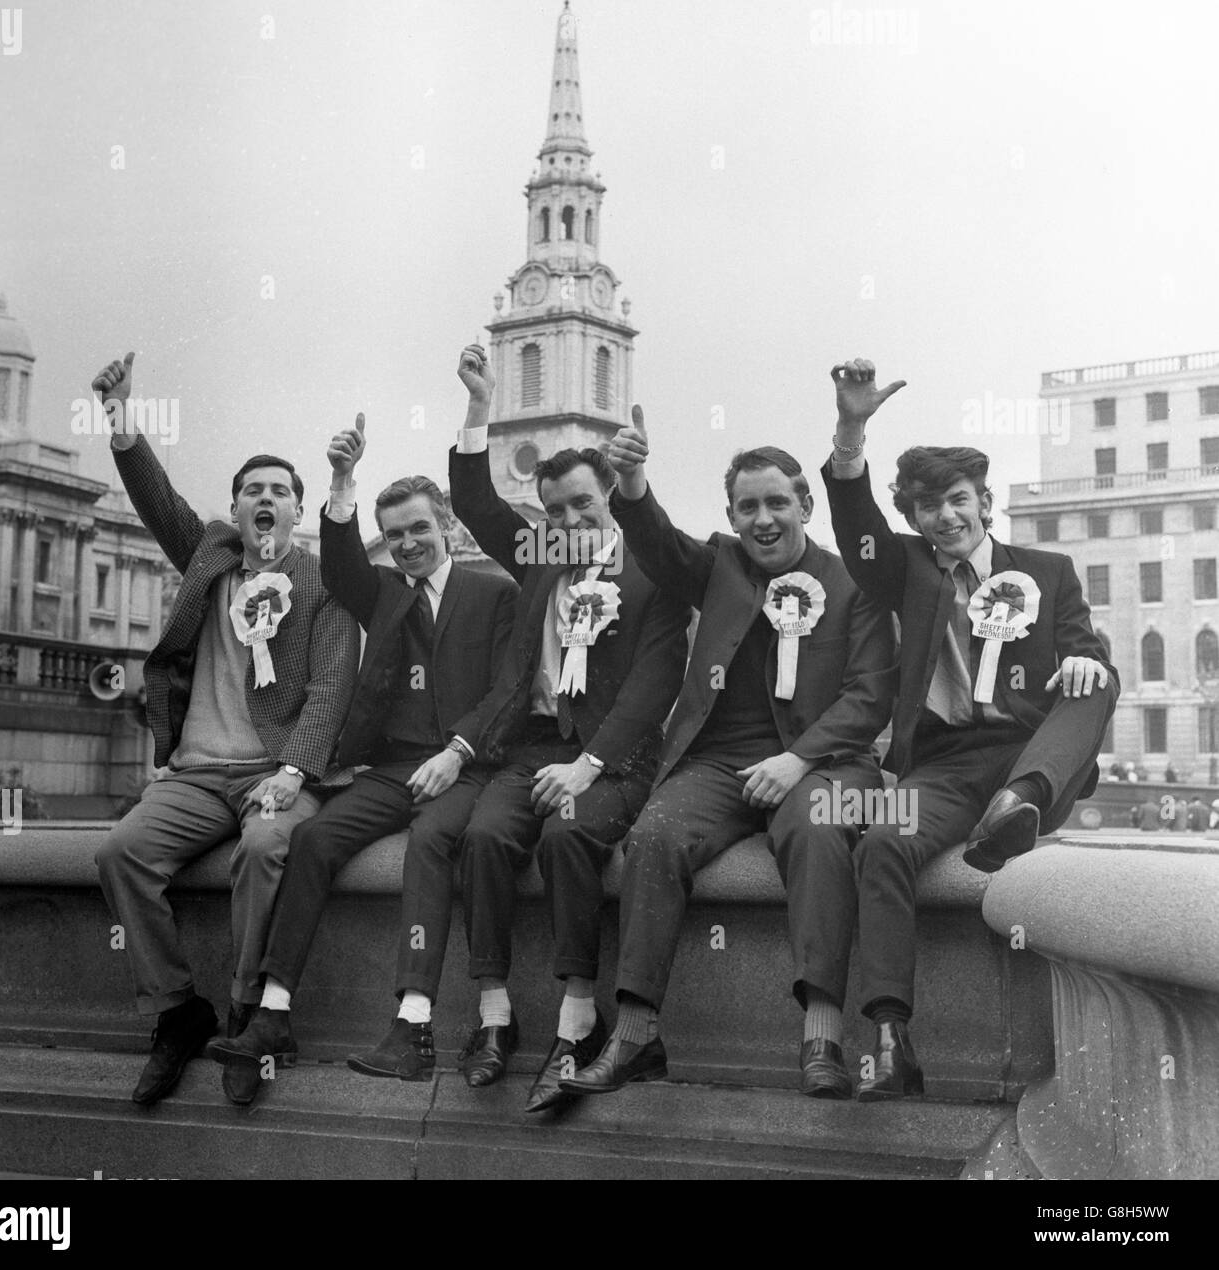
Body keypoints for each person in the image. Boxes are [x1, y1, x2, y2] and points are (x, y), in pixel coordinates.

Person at [554, 406, 896, 1104]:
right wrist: (634, 478)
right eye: (748, 507)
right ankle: (637, 1033)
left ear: (806, 504)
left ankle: (823, 1037)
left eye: (777, 502)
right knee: (653, 837)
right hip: (718, 761)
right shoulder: (718, 567)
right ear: (733, 516)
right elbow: (656, 542)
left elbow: (869, 696)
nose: (763, 518)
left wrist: (798, 760)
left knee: (818, 829)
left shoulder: (855, 584)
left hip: (824, 763)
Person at [820, 358, 1118, 1099]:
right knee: (882, 841)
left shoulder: (1046, 570)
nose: (945, 518)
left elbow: (1082, 641)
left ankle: (1019, 804)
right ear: (914, 517)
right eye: (926, 508)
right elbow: (857, 526)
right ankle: (892, 1040)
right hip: (946, 764)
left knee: (1099, 677)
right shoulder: (909, 571)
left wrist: (1082, 660)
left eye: (956, 500)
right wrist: (852, 429)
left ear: (984, 501)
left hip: (1034, 748)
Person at [206, 415, 518, 1101]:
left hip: (471, 766)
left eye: (419, 530)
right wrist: (343, 483)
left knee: (432, 841)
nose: (407, 544)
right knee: (314, 839)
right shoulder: (384, 594)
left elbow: (509, 688)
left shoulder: (494, 593)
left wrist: (459, 750)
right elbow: (344, 562)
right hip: (395, 768)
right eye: (396, 533)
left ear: (449, 530)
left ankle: (412, 1027)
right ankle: (274, 1013)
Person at [90, 353, 359, 1105]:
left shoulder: (326, 580)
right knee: (119, 854)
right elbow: (155, 498)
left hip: (277, 773)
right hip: (198, 774)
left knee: (269, 845)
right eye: (251, 491)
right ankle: (179, 1011)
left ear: (298, 513)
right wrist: (120, 415)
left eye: (279, 491)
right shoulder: (208, 555)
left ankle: (246, 1011)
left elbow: (333, 685)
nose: (263, 500)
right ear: (235, 511)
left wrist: (296, 772)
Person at [447, 345, 689, 1109]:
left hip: (617, 759)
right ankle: (494, 1014)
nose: (569, 521)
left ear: (612, 494)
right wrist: (480, 407)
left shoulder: (655, 574)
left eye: (582, 504)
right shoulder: (543, 557)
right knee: (483, 838)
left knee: (566, 836)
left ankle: (578, 1019)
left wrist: (588, 767)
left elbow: (655, 686)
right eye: (554, 510)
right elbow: (479, 508)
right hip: (536, 748)